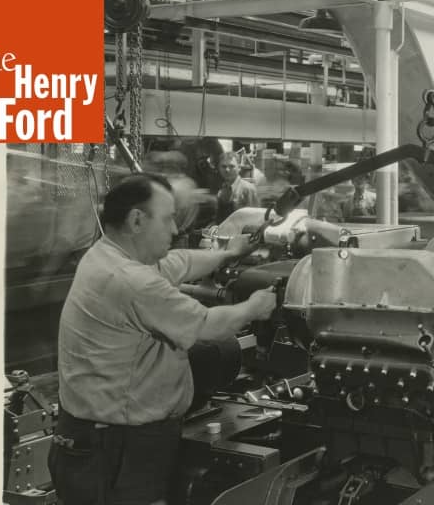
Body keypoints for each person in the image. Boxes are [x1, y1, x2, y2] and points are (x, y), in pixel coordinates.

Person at [48, 174, 277, 505]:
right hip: (117, 447)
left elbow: (178, 262)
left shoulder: (106, 254)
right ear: (137, 220)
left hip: (98, 437)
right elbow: (209, 325)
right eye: (168, 218)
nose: (175, 230)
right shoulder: (131, 281)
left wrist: (228, 254)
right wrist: (255, 307)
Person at [216, 151, 260, 223]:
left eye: (231, 166)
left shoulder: (248, 189)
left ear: (239, 168)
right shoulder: (221, 189)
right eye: (224, 166)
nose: (227, 170)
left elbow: (255, 218)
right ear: (219, 168)